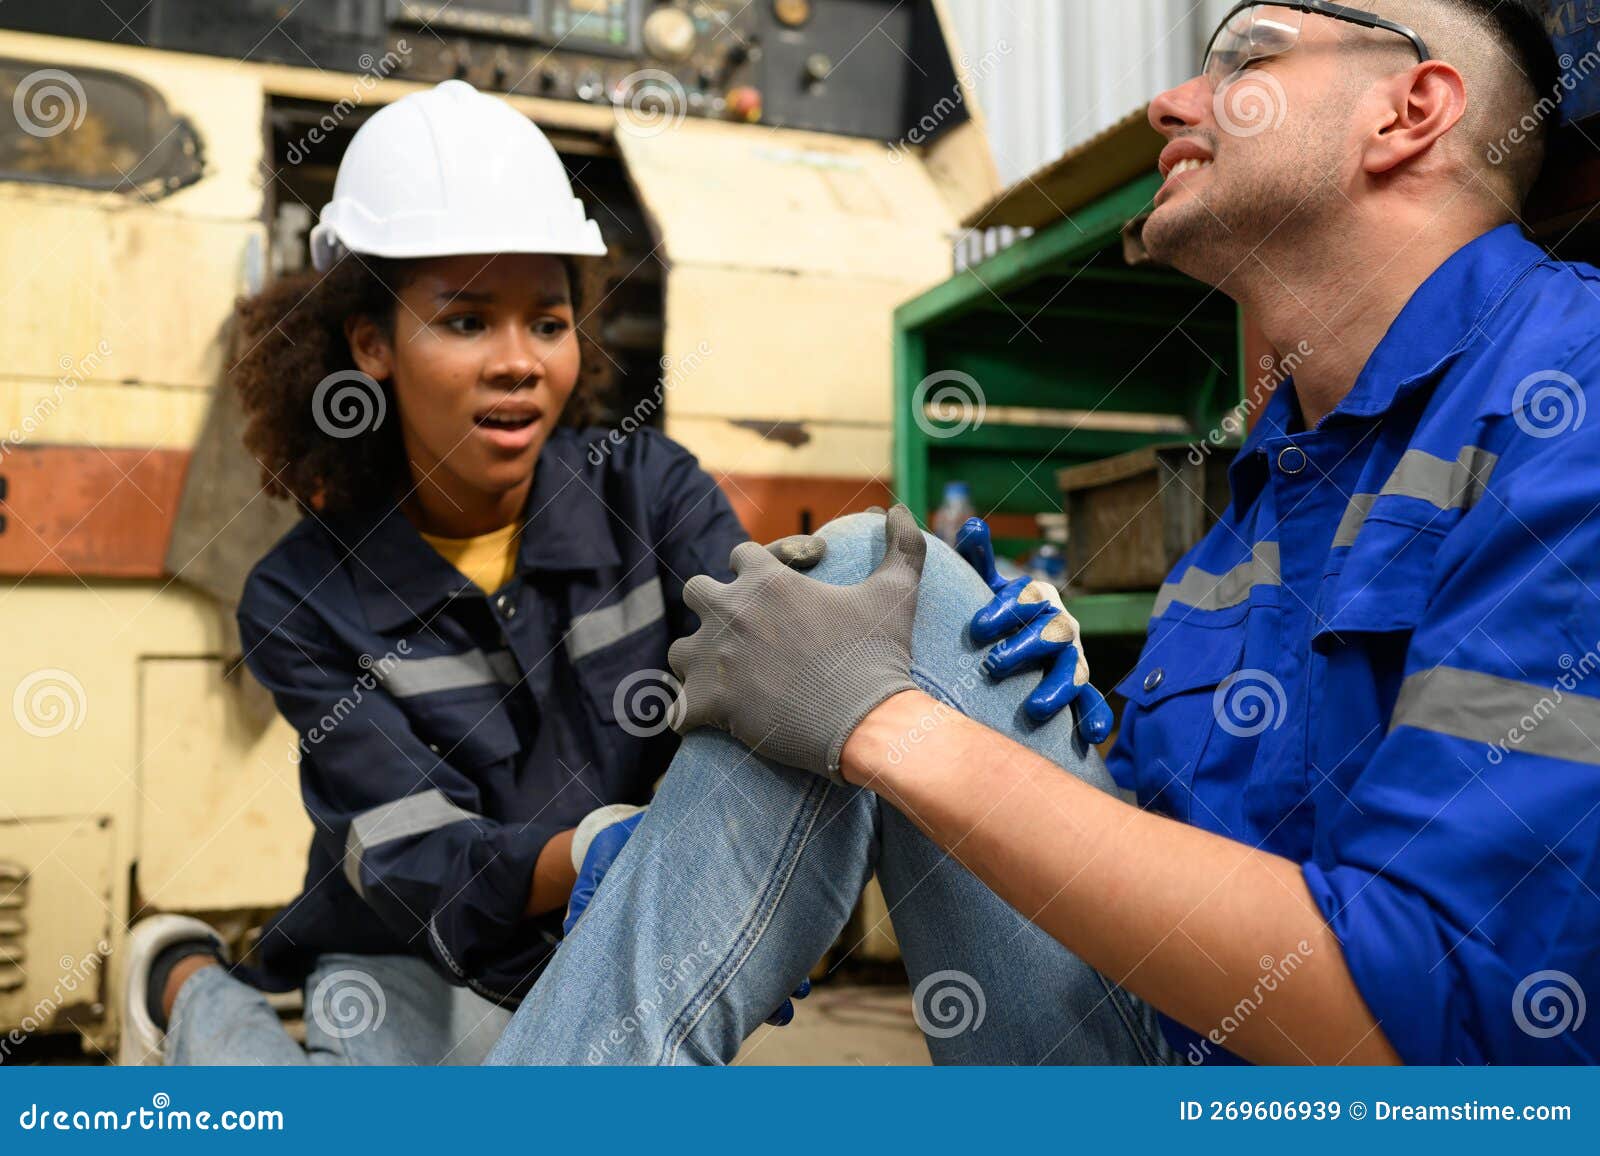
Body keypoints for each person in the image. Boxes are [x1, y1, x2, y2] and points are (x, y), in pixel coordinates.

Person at [487, 0, 1599, 1065]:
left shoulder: (1569, 389)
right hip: (1173, 1059)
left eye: (1246, 61)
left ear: (1410, 113)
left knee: (884, 639)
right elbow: (1193, 862)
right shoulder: (1264, 494)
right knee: (888, 589)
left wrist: (904, 732)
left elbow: (1450, 1030)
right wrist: (1063, 743)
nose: (1169, 103)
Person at [116, 80, 811, 1065]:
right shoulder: (301, 598)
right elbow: (410, 855)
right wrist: (602, 853)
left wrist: (938, 638)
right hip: (398, 947)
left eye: (548, 320)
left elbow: (777, 658)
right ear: (374, 345)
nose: (519, 361)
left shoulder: (651, 495)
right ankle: (186, 979)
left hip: (596, 939)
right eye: (466, 320)